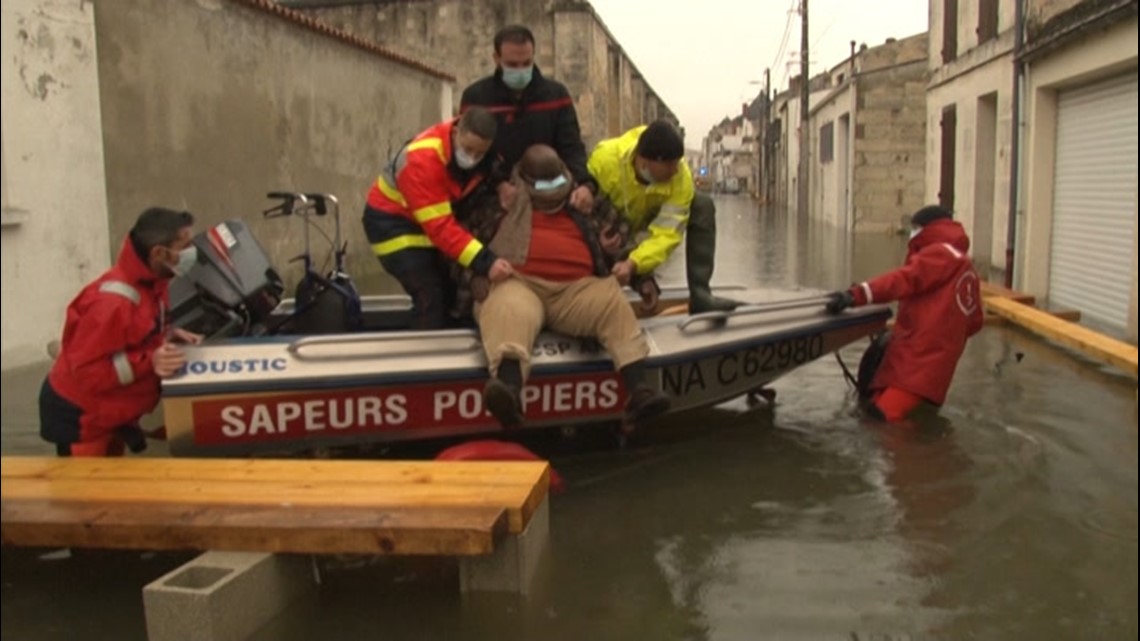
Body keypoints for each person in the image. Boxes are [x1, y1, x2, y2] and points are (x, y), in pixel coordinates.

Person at [473, 144, 670, 431]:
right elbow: (464, 246)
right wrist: (474, 277)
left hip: (576, 289)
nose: (553, 189)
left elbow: (621, 237)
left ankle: (639, 391)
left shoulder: (585, 199)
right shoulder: (503, 201)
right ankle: (510, 393)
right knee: (507, 308)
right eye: (545, 184)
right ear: (525, 181)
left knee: (611, 299)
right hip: (520, 282)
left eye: (557, 181)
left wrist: (644, 279)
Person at [39, 207, 204, 457]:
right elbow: (89, 372)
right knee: (88, 492)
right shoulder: (111, 304)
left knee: (108, 486)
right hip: (82, 417)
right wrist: (151, 361)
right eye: (185, 246)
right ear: (159, 252)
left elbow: (135, 334)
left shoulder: (152, 284)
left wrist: (167, 335)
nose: (192, 253)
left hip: (108, 414)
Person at [825, 205, 984, 422]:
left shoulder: (940, 254)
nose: (912, 232)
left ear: (928, 228)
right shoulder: (965, 265)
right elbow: (975, 322)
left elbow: (903, 280)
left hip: (918, 361)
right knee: (875, 412)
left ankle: (916, 455)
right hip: (934, 364)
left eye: (915, 227)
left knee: (884, 420)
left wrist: (856, 294)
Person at [362, 107, 514, 329]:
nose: (472, 158)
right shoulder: (422, 160)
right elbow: (441, 228)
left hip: (425, 222)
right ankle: (423, 359)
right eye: (468, 149)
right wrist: (486, 262)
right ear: (455, 133)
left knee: (448, 293)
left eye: (479, 153)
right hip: (392, 224)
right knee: (429, 298)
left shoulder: (486, 156)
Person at [588, 121, 741, 314]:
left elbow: (668, 233)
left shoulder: (681, 178)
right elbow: (581, 209)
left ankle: (701, 294)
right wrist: (597, 236)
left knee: (702, 204)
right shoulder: (605, 159)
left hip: (646, 222)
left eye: (677, 163)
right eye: (669, 164)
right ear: (643, 162)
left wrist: (634, 264)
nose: (676, 170)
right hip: (609, 220)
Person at [460, 24, 596, 213]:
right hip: (497, 198)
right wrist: (499, 184)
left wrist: (584, 184)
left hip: (550, 198)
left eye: (526, 63)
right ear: (496, 59)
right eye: (512, 65)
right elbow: (472, 152)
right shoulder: (476, 98)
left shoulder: (556, 95)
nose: (520, 70)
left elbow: (571, 147)